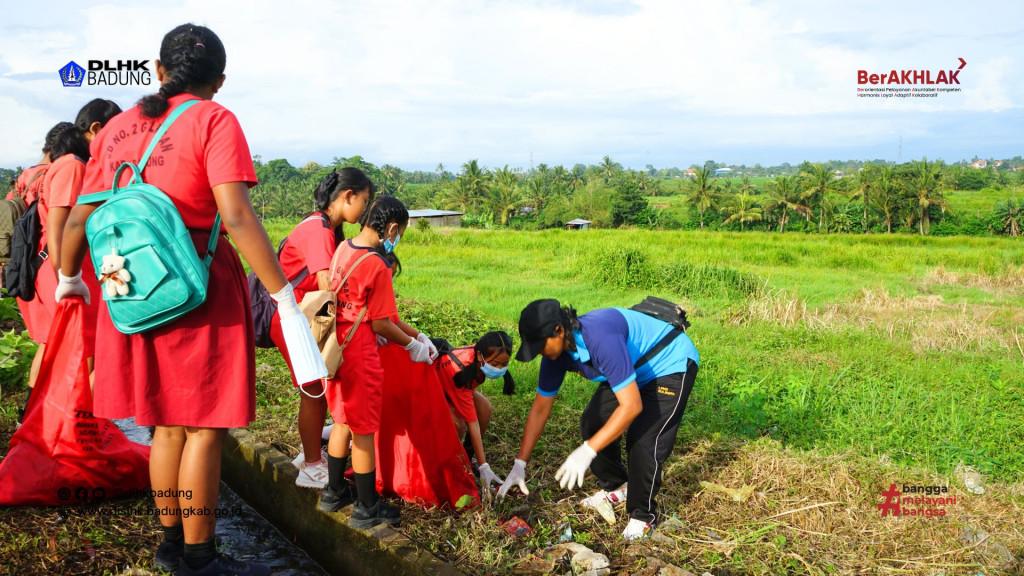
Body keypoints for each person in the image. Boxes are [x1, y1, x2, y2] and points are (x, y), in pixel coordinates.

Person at [56, 24, 321, 576]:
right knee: (203, 426)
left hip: (132, 288)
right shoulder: (213, 119)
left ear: (157, 70)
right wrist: (283, 296)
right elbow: (237, 215)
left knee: (164, 427)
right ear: (218, 81)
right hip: (199, 289)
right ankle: (200, 559)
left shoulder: (118, 128)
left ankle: (171, 544)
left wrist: (68, 275)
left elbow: (82, 214)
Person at [498, 299, 699, 541]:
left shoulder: (600, 338)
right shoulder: (555, 357)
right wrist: (520, 463)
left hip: (668, 364)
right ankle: (616, 486)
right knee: (593, 423)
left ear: (559, 331)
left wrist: (588, 449)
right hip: (632, 368)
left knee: (644, 440)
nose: (540, 352)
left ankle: (643, 516)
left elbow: (631, 406)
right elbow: (540, 409)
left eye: (540, 345)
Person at [319, 195, 437, 528]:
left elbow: (360, 307)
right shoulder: (377, 265)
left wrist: (417, 335)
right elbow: (382, 323)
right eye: (400, 232)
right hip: (359, 356)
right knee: (364, 431)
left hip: (334, 350)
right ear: (393, 227)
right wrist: (413, 346)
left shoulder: (343, 249)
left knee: (341, 421)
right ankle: (366, 508)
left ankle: (334, 491)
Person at [269, 168, 374, 489]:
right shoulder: (319, 230)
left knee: (317, 390)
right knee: (314, 392)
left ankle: (309, 455)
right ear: (348, 196)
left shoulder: (324, 226)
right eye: (365, 200)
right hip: (298, 321)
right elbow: (328, 282)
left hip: (302, 319)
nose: (365, 208)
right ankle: (311, 465)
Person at [40, 100, 121, 378]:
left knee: (64, 344)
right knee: (86, 347)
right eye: (115, 134)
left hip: (67, 268)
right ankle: (82, 415)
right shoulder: (73, 166)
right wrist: (66, 278)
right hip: (67, 268)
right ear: (96, 129)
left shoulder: (69, 164)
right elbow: (59, 226)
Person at [433, 331, 515, 489]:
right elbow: (473, 423)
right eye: (495, 363)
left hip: (452, 389)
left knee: (485, 409)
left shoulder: (480, 354)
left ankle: (467, 457)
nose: (499, 368)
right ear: (479, 356)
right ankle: (449, 466)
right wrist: (484, 465)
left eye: (504, 364)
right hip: (433, 391)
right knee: (458, 425)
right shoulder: (460, 368)